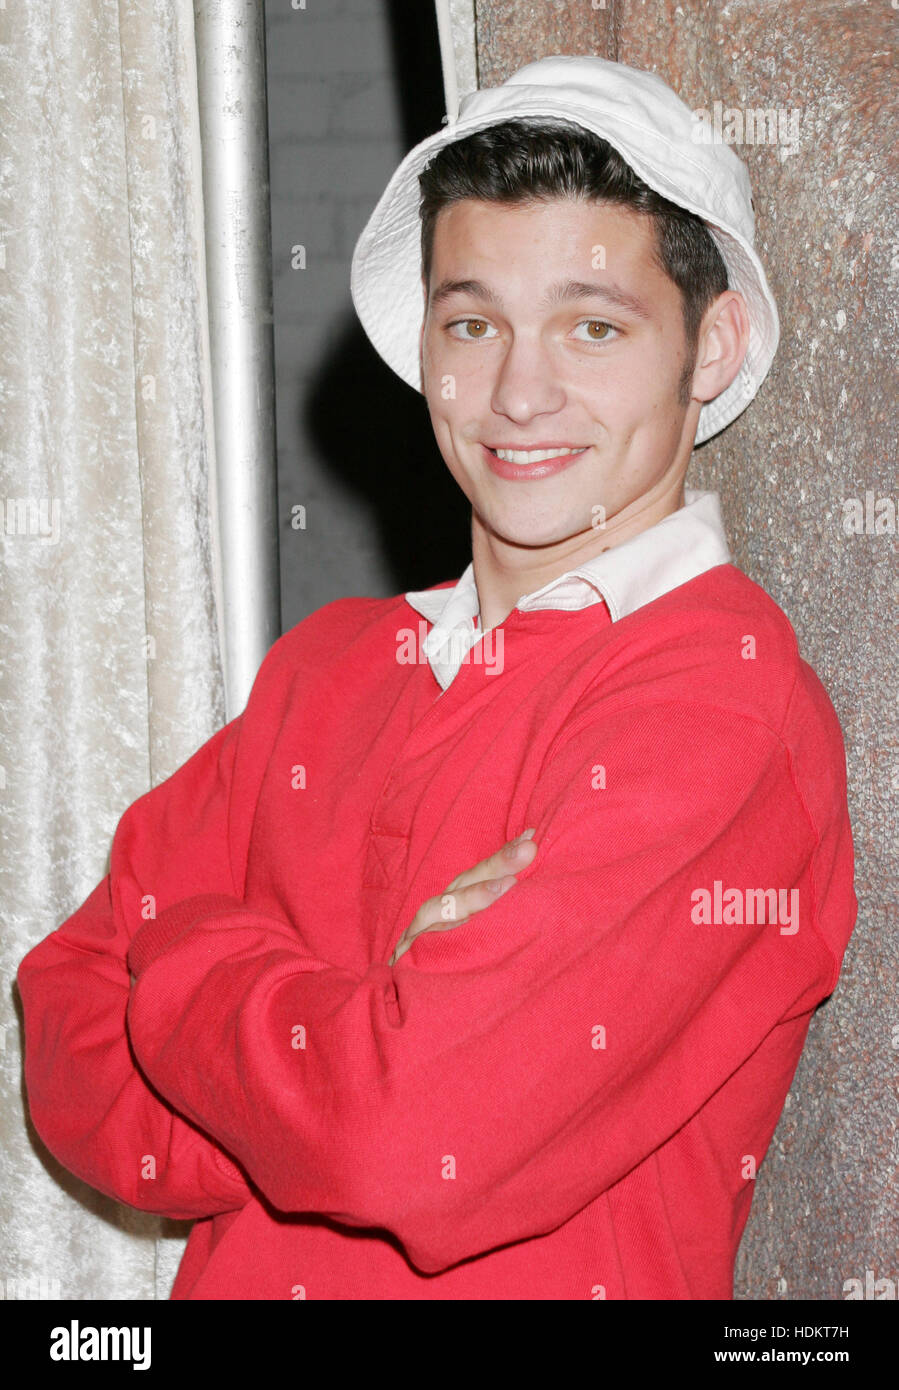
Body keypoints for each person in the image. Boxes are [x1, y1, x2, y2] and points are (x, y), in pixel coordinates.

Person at [17, 55, 856, 1300]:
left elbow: (409, 1143)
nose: (518, 392)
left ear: (712, 343)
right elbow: (65, 1026)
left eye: (592, 325)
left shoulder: (721, 699)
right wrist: (345, 1045)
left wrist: (190, 957)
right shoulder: (329, 668)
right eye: (471, 322)